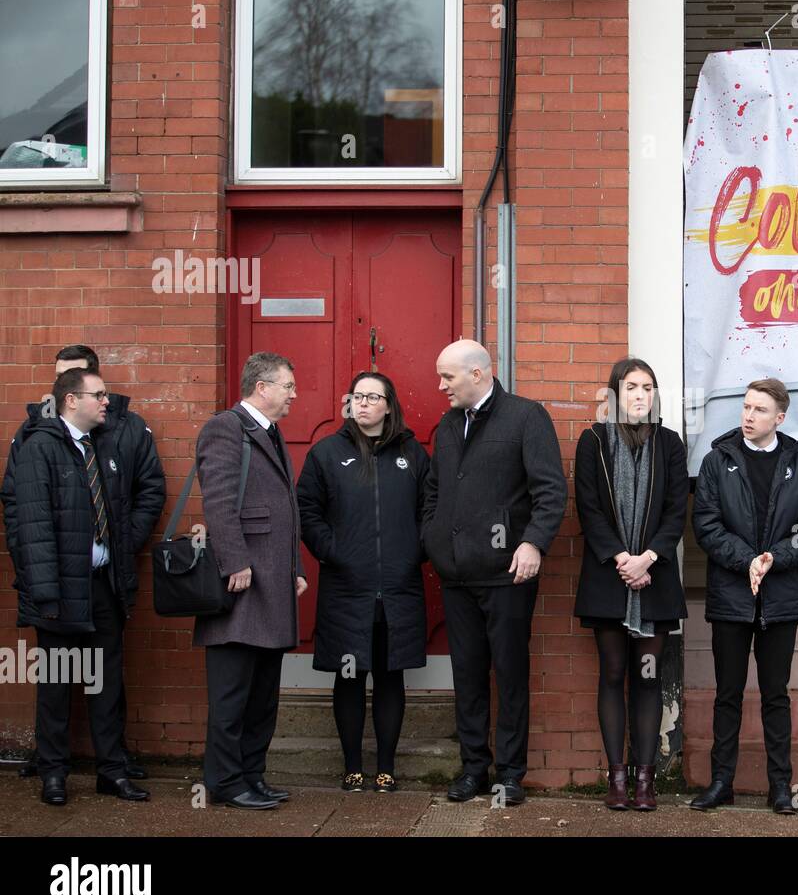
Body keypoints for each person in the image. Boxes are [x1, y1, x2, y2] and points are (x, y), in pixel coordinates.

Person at [3, 345, 163, 781]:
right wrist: (42, 583)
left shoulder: (122, 430)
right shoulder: (36, 439)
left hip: (106, 580)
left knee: (106, 680)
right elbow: (25, 516)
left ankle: (113, 768)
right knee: (56, 681)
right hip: (57, 584)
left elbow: (141, 495)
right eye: (61, 377)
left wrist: (120, 546)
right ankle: (53, 768)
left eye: (76, 376)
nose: (62, 386)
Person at [420, 340, 566, 806]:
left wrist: (532, 542)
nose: (441, 386)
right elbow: (434, 491)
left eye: (448, 377)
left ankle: (511, 773)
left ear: (479, 374)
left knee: (509, 673)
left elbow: (550, 490)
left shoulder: (526, 417)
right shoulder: (447, 425)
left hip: (508, 575)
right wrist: (434, 538)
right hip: (457, 573)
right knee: (467, 674)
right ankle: (473, 770)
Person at [689, 378, 798, 814]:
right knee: (727, 693)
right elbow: (707, 526)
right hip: (731, 596)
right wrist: (748, 559)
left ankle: (780, 787)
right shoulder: (717, 462)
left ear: (779, 418)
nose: (748, 416)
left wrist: (774, 558)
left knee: (775, 695)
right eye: (746, 407)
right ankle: (720, 783)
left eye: (759, 410)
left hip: (780, 599)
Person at [296, 371, 430, 793]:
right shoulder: (326, 454)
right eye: (357, 396)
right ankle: (353, 766)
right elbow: (307, 510)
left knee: (391, 677)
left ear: (389, 405)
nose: (364, 403)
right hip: (346, 588)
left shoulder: (413, 455)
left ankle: (386, 767)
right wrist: (333, 551)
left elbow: (432, 510)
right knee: (349, 676)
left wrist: (415, 552)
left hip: (398, 587)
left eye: (374, 397)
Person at [573, 358, 688, 811]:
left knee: (648, 677)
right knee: (613, 673)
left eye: (647, 387)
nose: (641, 394)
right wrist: (623, 558)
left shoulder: (670, 444)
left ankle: (645, 778)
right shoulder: (594, 442)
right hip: (609, 576)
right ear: (616, 394)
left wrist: (648, 559)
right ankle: (616, 777)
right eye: (632, 386)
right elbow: (588, 508)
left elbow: (676, 510)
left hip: (654, 578)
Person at [194, 352, 308, 810]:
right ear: (262, 387)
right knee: (232, 694)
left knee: (262, 695)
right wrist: (234, 562)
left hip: (272, 583)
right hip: (241, 585)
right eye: (287, 386)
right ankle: (224, 781)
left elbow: (285, 510)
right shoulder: (226, 427)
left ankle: (251, 776)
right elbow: (219, 501)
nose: (293, 395)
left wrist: (295, 567)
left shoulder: (269, 432)